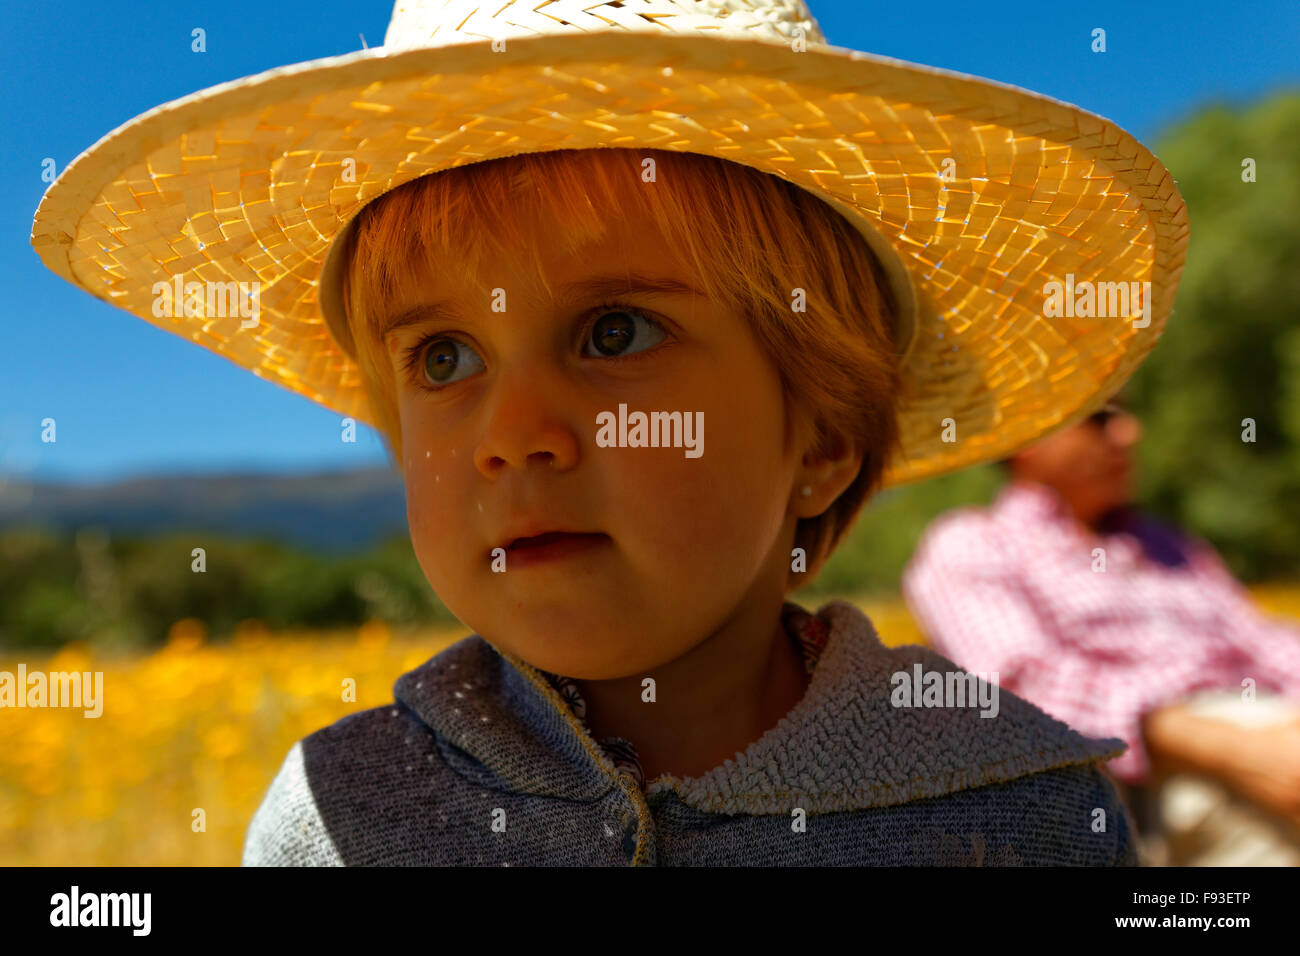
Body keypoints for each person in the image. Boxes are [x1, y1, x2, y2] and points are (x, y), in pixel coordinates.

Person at [31, 0, 1190, 865]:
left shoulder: (1020, 802)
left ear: (822, 438)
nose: (510, 434)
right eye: (442, 359)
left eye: (615, 330)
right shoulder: (341, 813)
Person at [902, 393, 1300, 865]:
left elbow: (1264, 642)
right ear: (1027, 435)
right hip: (1140, 782)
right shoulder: (973, 544)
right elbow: (1020, 688)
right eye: (1099, 418)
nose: (1129, 432)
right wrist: (1236, 751)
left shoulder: (1170, 545)